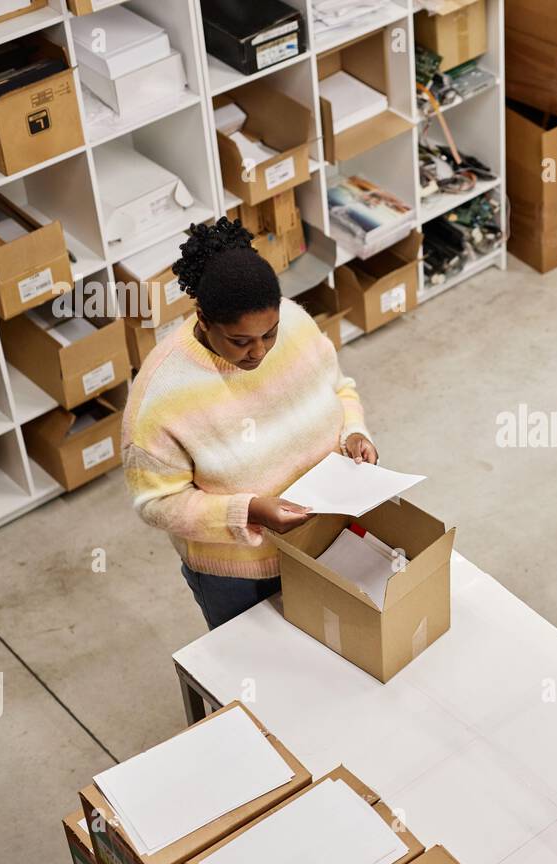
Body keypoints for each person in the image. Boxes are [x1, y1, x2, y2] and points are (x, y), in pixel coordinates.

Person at [122, 218, 377, 629]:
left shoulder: (295, 322)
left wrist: (355, 433)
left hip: (324, 539)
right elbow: (156, 503)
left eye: (269, 334)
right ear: (203, 319)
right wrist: (248, 512)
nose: (258, 351)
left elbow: (339, 388)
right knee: (259, 675)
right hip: (238, 577)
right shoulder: (160, 396)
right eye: (239, 341)